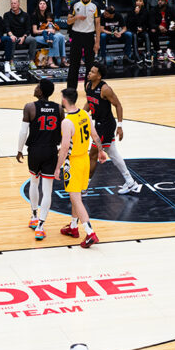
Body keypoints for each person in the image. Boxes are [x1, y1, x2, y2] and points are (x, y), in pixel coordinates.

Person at [55, 88, 104, 248]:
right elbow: (95, 135)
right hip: (85, 159)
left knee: (76, 198)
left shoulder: (67, 122)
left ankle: (90, 233)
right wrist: (101, 151)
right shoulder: (85, 114)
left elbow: (63, 149)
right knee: (76, 196)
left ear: (64, 100)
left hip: (73, 162)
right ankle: (73, 227)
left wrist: (57, 168)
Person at [16, 80, 62, 240]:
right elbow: (62, 132)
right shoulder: (59, 108)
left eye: (37, 87)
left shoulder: (30, 107)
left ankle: (34, 217)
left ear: (41, 91)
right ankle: (41, 227)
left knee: (34, 182)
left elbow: (23, 132)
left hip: (35, 150)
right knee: (47, 189)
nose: (35, 88)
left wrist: (19, 150)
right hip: (51, 150)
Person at [84, 64, 140, 194]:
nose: (89, 73)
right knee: (113, 154)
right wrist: (80, 115)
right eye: (90, 71)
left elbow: (118, 105)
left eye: (92, 72)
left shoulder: (105, 89)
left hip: (106, 125)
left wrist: (120, 126)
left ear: (99, 76)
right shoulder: (88, 86)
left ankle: (84, 188)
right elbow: (89, 102)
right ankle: (130, 182)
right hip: (98, 123)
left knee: (92, 154)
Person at [66, 0, 99, 90]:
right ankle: (71, 89)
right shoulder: (75, 4)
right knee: (74, 64)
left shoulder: (95, 5)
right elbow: (68, 21)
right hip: (76, 35)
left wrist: (97, 41)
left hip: (89, 36)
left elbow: (98, 24)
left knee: (90, 64)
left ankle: (88, 87)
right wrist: (76, 17)